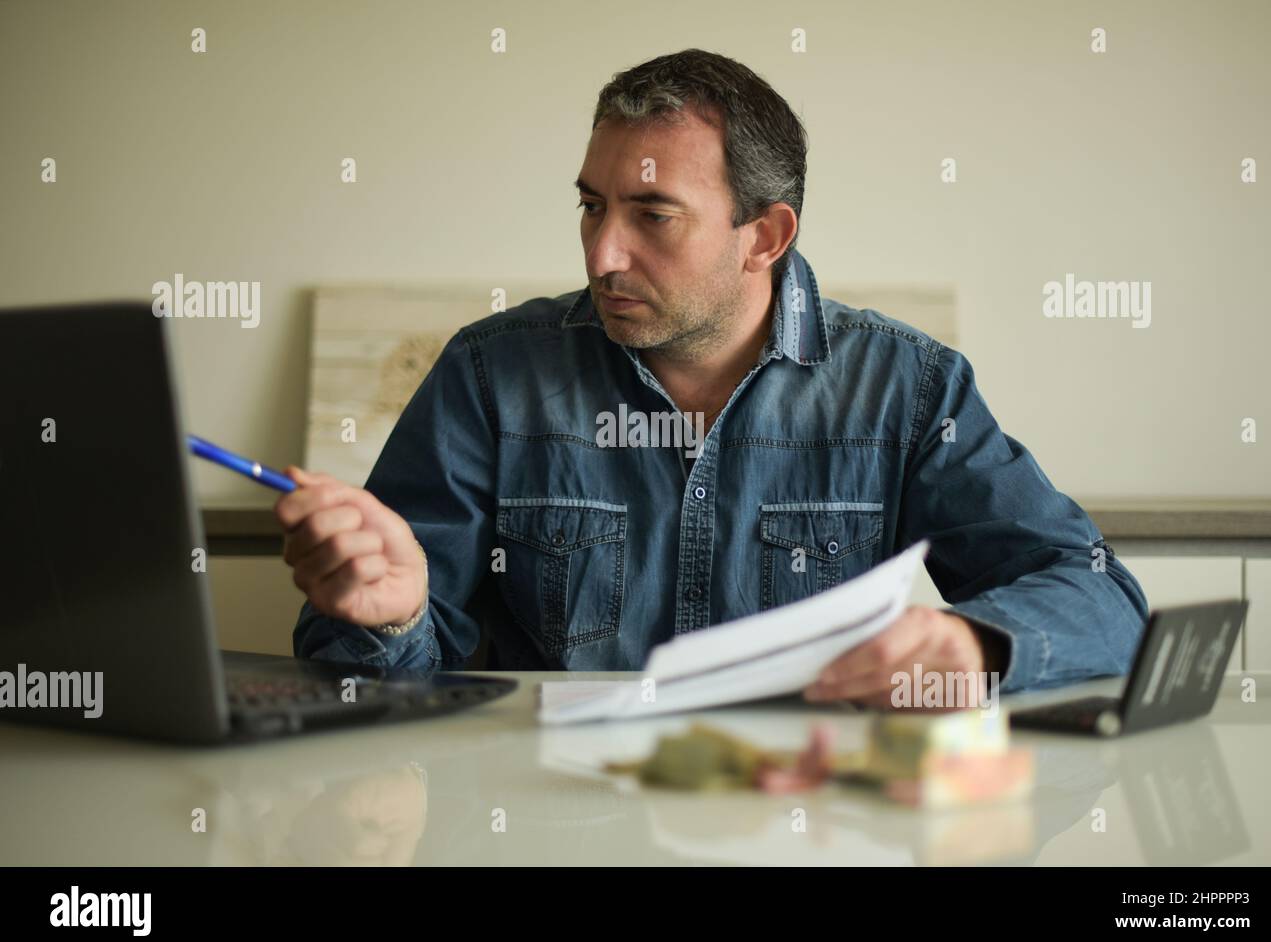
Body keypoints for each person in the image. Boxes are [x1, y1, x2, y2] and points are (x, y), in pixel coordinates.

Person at [280, 49, 1147, 705]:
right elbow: (369, 683)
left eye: (652, 214)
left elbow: (1101, 595)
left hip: (798, 820)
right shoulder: (488, 375)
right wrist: (386, 619)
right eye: (592, 206)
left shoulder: (907, 387)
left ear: (764, 237)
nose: (602, 254)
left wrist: (978, 646)